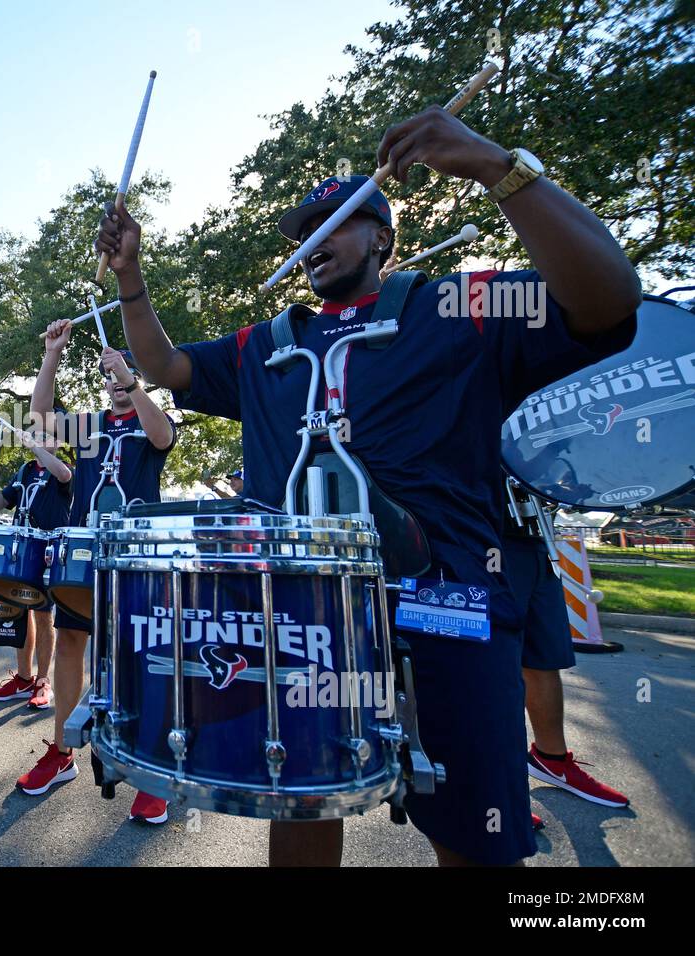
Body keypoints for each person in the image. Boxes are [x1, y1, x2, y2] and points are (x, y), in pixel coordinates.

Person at [96, 104, 640, 865]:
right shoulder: (269, 342)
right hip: (304, 615)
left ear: (382, 235)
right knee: (306, 796)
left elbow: (610, 298)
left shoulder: (457, 306)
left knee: (472, 830)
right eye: (307, 229)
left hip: (447, 598)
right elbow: (167, 368)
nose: (316, 238)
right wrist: (131, 281)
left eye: (338, 220)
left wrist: (495, 167)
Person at [18, 332, 176, 826]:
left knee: (139, 656)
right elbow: (40, 417)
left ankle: (152, 773)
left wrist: (134, 381)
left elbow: (161, 438)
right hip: (86, 553)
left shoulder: (154, 416)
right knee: (68, 643)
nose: (117, 382)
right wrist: (51, 356)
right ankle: (63, 749)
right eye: (111, 375)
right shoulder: (89, 427)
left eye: (126, 374)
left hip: (136, 555)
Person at [501, 527, 630, 809]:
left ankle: (552, 760)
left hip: (534, 540)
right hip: (479, 536)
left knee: (543, 657)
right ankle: (488, 787)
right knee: (490, 662)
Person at [0, 426, 73, 709]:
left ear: (57, 442)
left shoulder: (63, 468)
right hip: (21, 550)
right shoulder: (24, 470)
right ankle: (23, 678)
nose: (39, 440)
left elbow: (64, 476)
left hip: (48, 549)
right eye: (36, 435)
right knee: (20, 612)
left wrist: (35, 447)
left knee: (44, 615)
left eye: (46, 436)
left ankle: (43, 681)